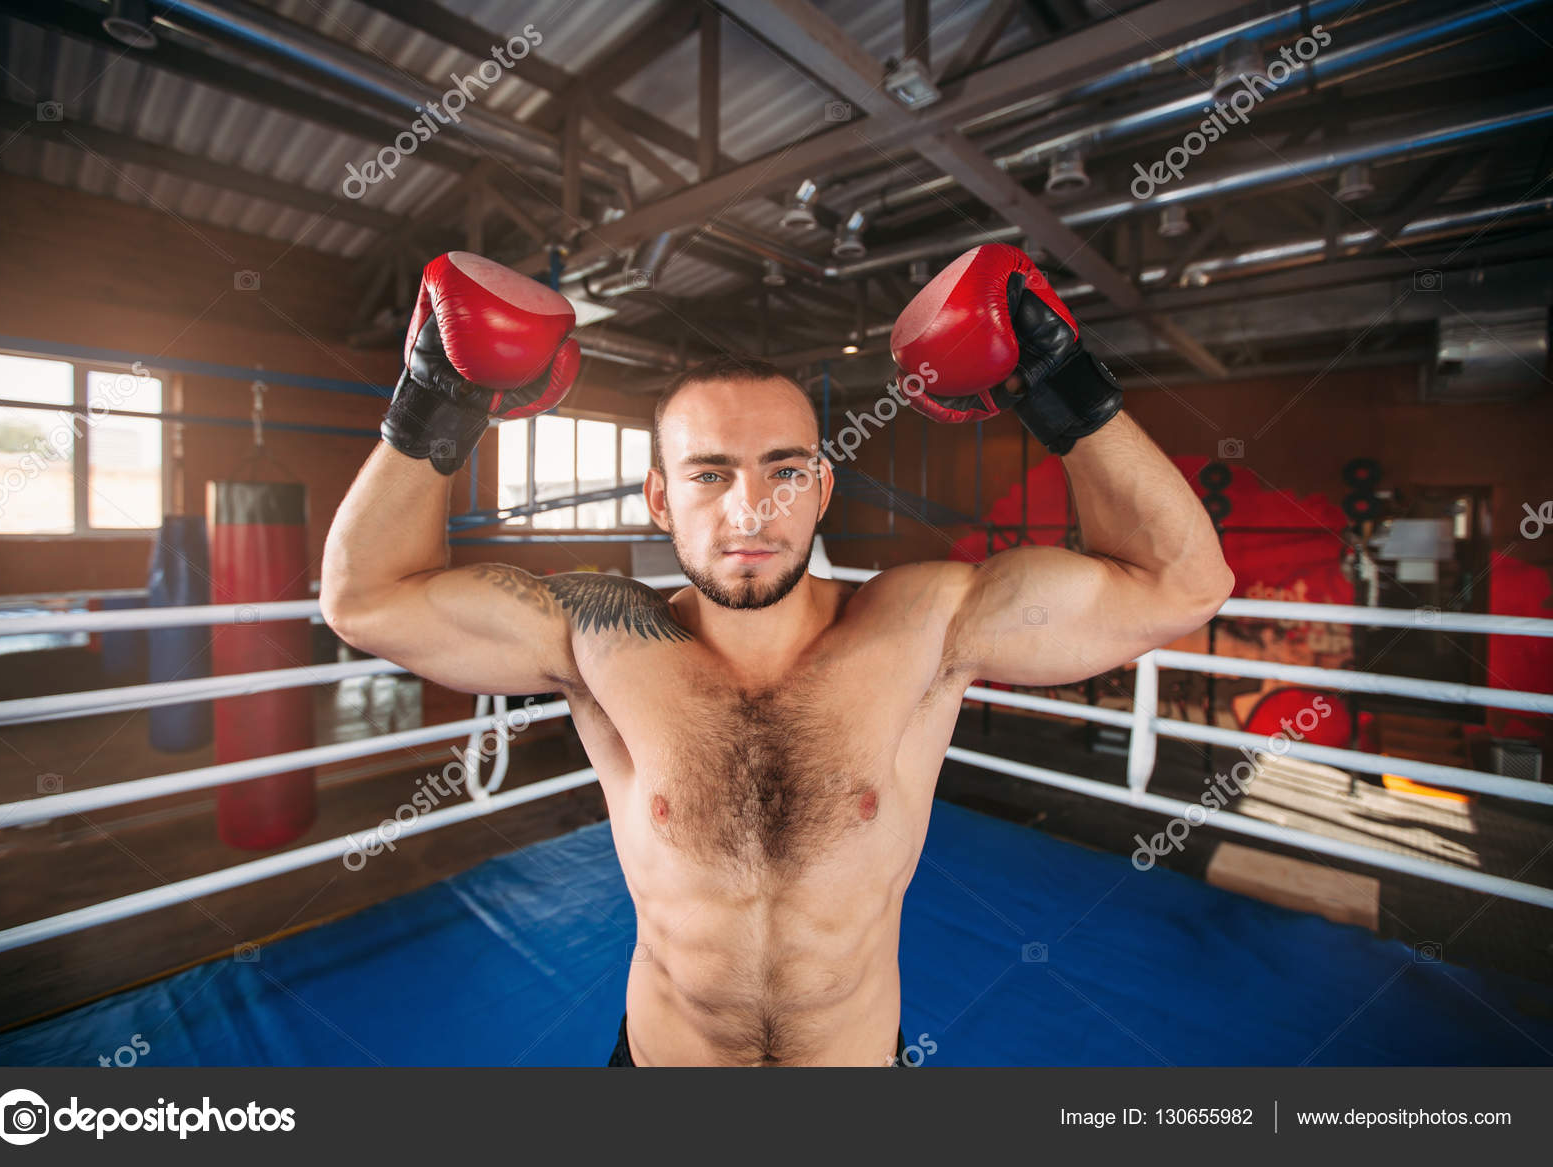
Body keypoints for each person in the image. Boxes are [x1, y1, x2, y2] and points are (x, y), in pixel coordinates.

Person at [321, 245, 1233, 1067]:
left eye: (785, 470)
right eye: (710, 473)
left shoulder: (922, 624)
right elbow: (366, 600)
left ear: (822, 487)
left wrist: (1058, 380)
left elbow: (1178, 584)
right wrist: (437, 398)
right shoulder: (599, 632)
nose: (749, 509)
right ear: (659, 498)